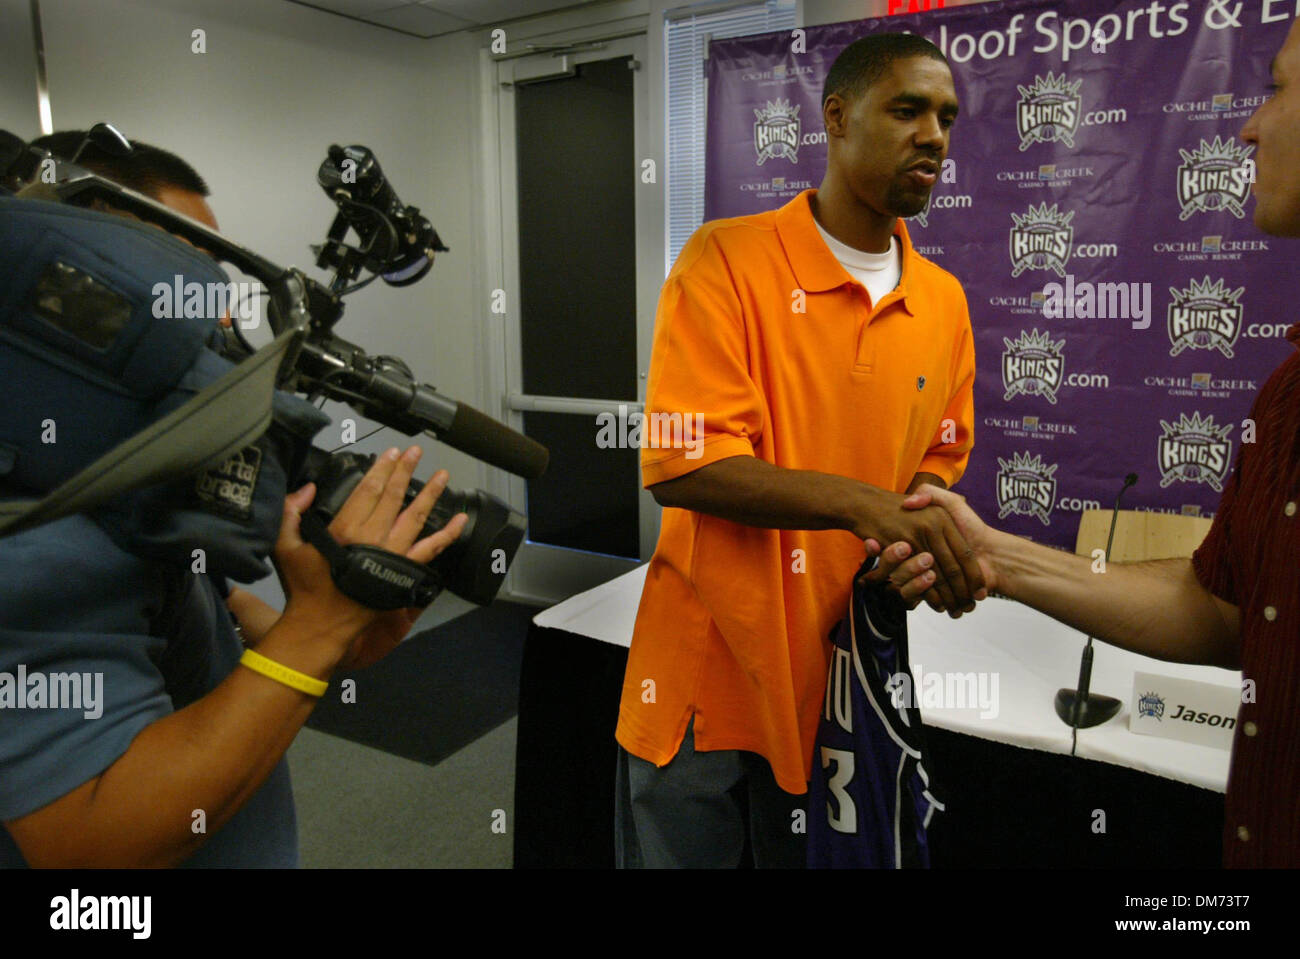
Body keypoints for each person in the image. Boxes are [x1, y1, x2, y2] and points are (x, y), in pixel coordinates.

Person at [869, 18, 1300, 869]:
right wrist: (992, 555)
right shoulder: (1285, 395)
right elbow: (1223, 610)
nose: (1249, 126)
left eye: (1280, 89)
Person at [0, 132, 468, 867]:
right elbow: (88, 841)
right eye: (185, 284)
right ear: (72, 286)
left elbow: (199, 617)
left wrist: (332, 628)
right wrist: (313, 635)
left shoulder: (117, 470)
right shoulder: (35, 525)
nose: (219, 325)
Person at [614, 34, 986, 868]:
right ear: (837, 117)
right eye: (907, 110)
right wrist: (869, 506)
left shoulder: (945, 301)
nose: (934, 135)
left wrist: (911, 535)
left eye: (947, 118)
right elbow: (684, 463)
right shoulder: (725, 259)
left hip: (844, 674)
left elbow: (939, 452)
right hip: (705, 674)